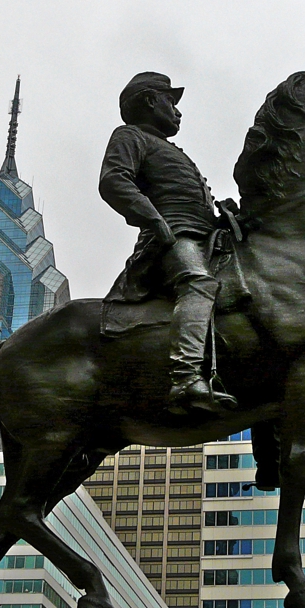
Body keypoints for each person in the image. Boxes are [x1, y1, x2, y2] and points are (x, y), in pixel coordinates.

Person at [100, 73, 238, 415]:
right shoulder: (130, 136)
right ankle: (186, 378)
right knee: (199, 283)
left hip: (206, 237)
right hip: (171, 239)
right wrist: (155, 221)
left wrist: (225, 218)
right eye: (171, 102)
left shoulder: (169, 149)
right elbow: (114, 180)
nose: (177, 112)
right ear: (150, 101)